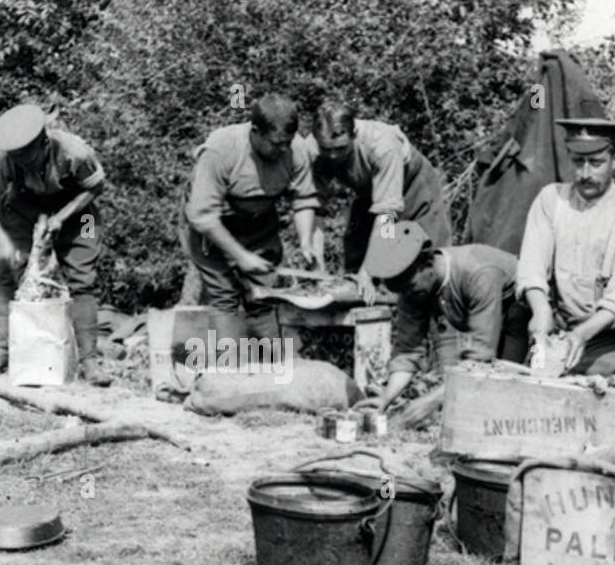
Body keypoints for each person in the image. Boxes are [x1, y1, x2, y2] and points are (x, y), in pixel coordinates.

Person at [0, 103, 111, 385]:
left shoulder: (75, 151)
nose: (22, 162)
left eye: (27, 156)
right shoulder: (4, 159)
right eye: (16, 157)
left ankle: (89, 362)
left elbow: (96, 187)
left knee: (83, 278)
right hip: (22, 210)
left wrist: (62, 217)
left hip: (78, 213)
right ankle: (0, 350)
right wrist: (2, 242)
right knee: (8, 273)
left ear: (43, 143)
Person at [515, 115, 615, 375]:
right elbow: (531, 268)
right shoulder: (550, 200)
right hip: (560, 336)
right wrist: (540, 309)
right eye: (578, 162)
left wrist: (581, 335)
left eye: (596, 163)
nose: (585, 174)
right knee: (531, 402)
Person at [182, 94, 321, 341]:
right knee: (225, 296)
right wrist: (241, 256)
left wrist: (306, 242)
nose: (282, 150)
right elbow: (203, 216)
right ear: (255, 131)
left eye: (286, 143)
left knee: (265, 293)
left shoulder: (295, 149)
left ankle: (273, 365)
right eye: (275, 143)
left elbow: (303, 199)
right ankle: (226, 371)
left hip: (260, 222)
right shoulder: (222, 150)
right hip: (214, 227)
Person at [360, 223, 526, 411]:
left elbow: (479, 361)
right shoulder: (414, 289)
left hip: (526, 320)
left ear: (427, 262)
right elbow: (408, 350)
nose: (406, 296)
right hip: (494, 325)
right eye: (401, 292)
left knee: (507, 396)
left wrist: (429, 403)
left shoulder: (478, 272)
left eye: (408, 287)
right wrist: (386, 399)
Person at [305, 102, 452, 304]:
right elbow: (314, 209)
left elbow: (387, 216)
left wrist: (369, 271)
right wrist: (317, 267)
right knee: (356, 254)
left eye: (340, 149)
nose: (332, 156)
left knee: (427, 263)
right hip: (370, 192)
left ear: (354, 134)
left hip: (413, 185)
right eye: (325, 149)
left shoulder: (383, 146)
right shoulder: (312, 151)